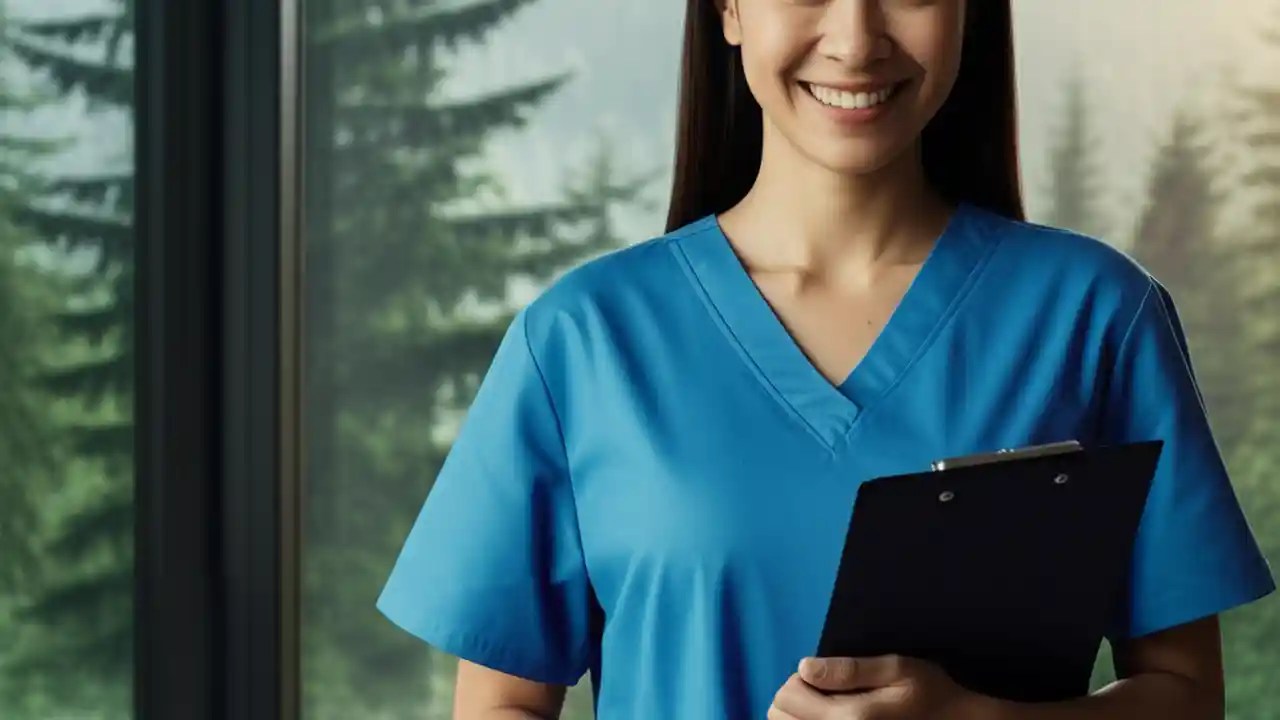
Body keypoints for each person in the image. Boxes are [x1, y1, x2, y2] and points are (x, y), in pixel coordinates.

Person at [376, 0, 1277, 717]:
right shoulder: (579, 342)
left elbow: (1186, 695)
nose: (855, 37)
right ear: (727, 8)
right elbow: (500, 703)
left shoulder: (1096, 318)